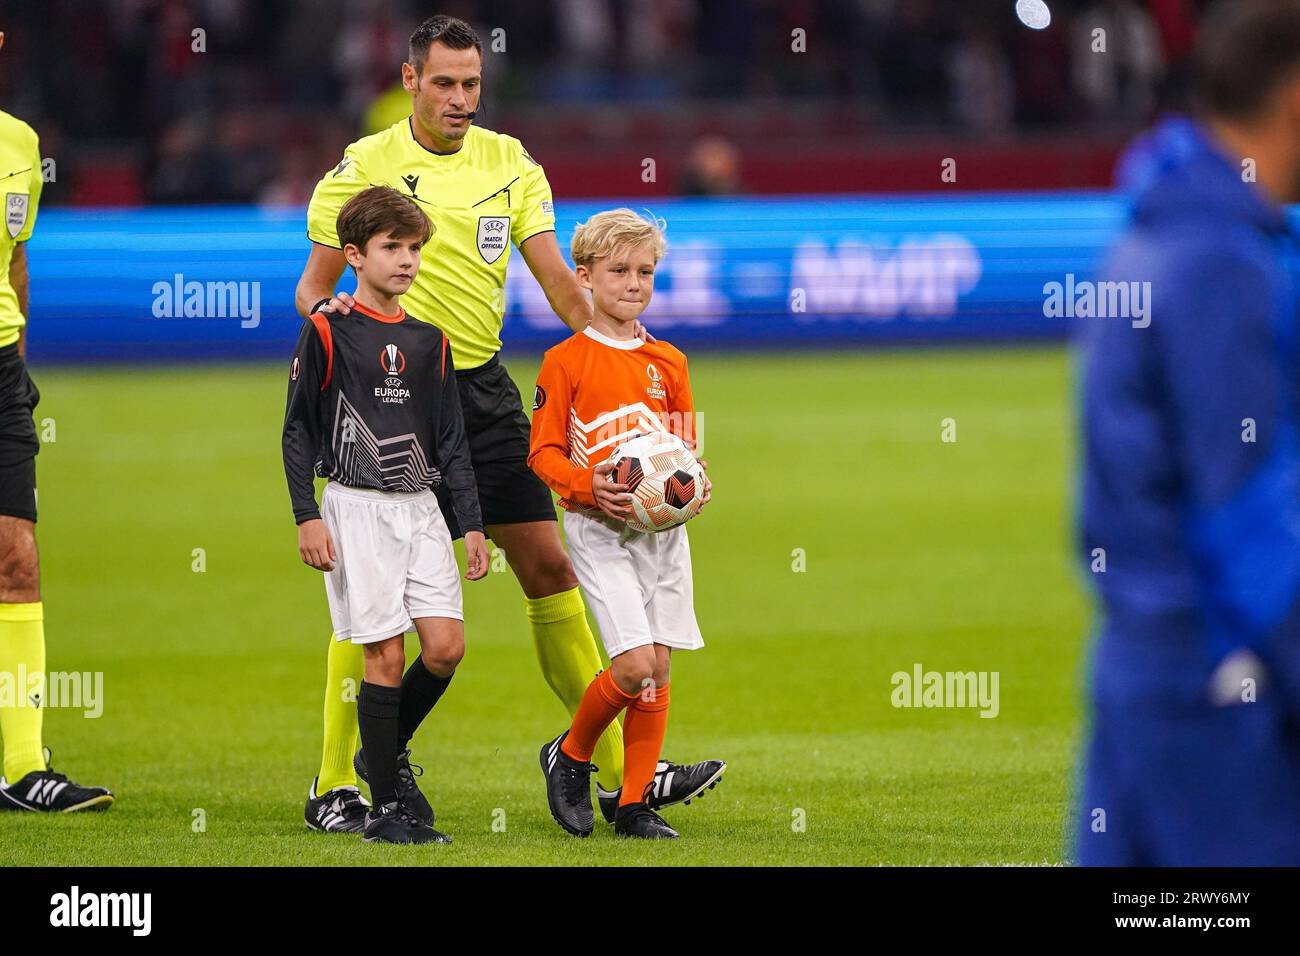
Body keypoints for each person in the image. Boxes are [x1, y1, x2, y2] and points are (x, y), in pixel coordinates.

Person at [296, 14, 722, 832]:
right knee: (376, 604)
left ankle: (601, 759)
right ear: (411, 80)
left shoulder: (510, 164)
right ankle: (337, 783)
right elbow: (312, 292)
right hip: (393, 395)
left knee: (551, 568)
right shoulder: (363, 169)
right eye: (445, 84)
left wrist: (612, 344)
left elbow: (562, 283)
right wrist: (349, 335)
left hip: (483, 391)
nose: (460, 100)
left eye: (472, 86)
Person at [1076, 0, 1300, 865]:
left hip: (1148, 672)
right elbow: (1246, 508)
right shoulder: (1222, 262)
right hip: (1221, 691)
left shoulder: (1157, 232)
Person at [283, 186, 488, 844]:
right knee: (383, 654)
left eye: (414, 248)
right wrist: (306, 514)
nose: (405, 260)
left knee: (447, 649)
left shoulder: (432, 341)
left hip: (422, 509)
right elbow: (296, 431)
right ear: (353, 256)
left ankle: (381, 750)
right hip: (357, 508)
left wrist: (472, 523)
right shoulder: (326, 329)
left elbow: (450, 438)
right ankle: (389, 810)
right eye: (390, 248)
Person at [531, 209, 723, 839]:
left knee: (660, 668)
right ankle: (573, 752)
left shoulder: (669, 361)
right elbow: (543, 452)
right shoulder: (566, 361)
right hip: (600, 528)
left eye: (645, 271)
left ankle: (635, 803)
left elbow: (686, 445)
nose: (633, 283)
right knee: (634, 663)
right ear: (584, 276)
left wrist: (694, 485)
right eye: (618, 271)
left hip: (663, 535)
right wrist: (591, 487)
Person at [0, 30, 113, 813]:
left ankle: (21, 767)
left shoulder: (19, 143)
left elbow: (16, 260)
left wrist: (22, 369)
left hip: (2, 368)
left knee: (17, 559)